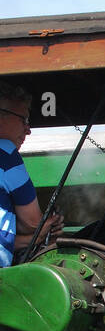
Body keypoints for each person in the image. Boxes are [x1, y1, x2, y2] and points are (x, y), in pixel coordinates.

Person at [0, 82, 61, 267]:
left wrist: (35, 238)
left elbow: (7, 237)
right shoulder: (5, 152)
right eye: (24, 120)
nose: (28, 129)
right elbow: (32, 223)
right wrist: (49, 225)